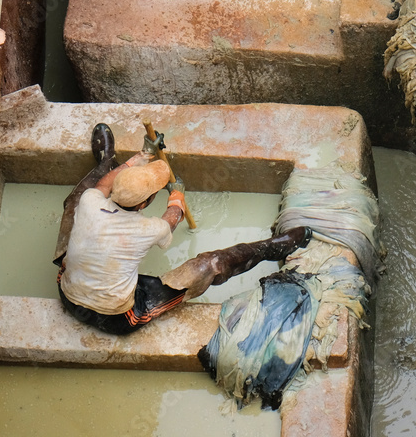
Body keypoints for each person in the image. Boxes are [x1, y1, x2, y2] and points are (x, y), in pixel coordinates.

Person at [55, 124, 311, 335]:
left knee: (79, 198)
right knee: (210, 264)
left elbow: (104, 185)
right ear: (144, 204)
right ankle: (273, 247)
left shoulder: (91, 202)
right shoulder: (149, 228)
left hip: (68, 293)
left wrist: (143, 155)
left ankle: (107, 162)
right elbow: (172, 219)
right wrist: (177, 197)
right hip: (116, 315)